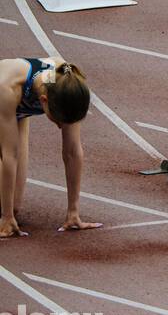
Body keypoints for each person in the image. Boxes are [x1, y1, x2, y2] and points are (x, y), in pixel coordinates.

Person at [0, 58, 99, 237]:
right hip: (4, 101)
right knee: (4, 211)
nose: (61, 127)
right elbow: (9, 155)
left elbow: (72, 152)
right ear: (43, 100)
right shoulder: (7, 87)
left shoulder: (67, 86)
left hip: (18, 111)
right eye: (58, 121)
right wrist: (6, 218)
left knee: (13, 207)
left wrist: (73, 212)